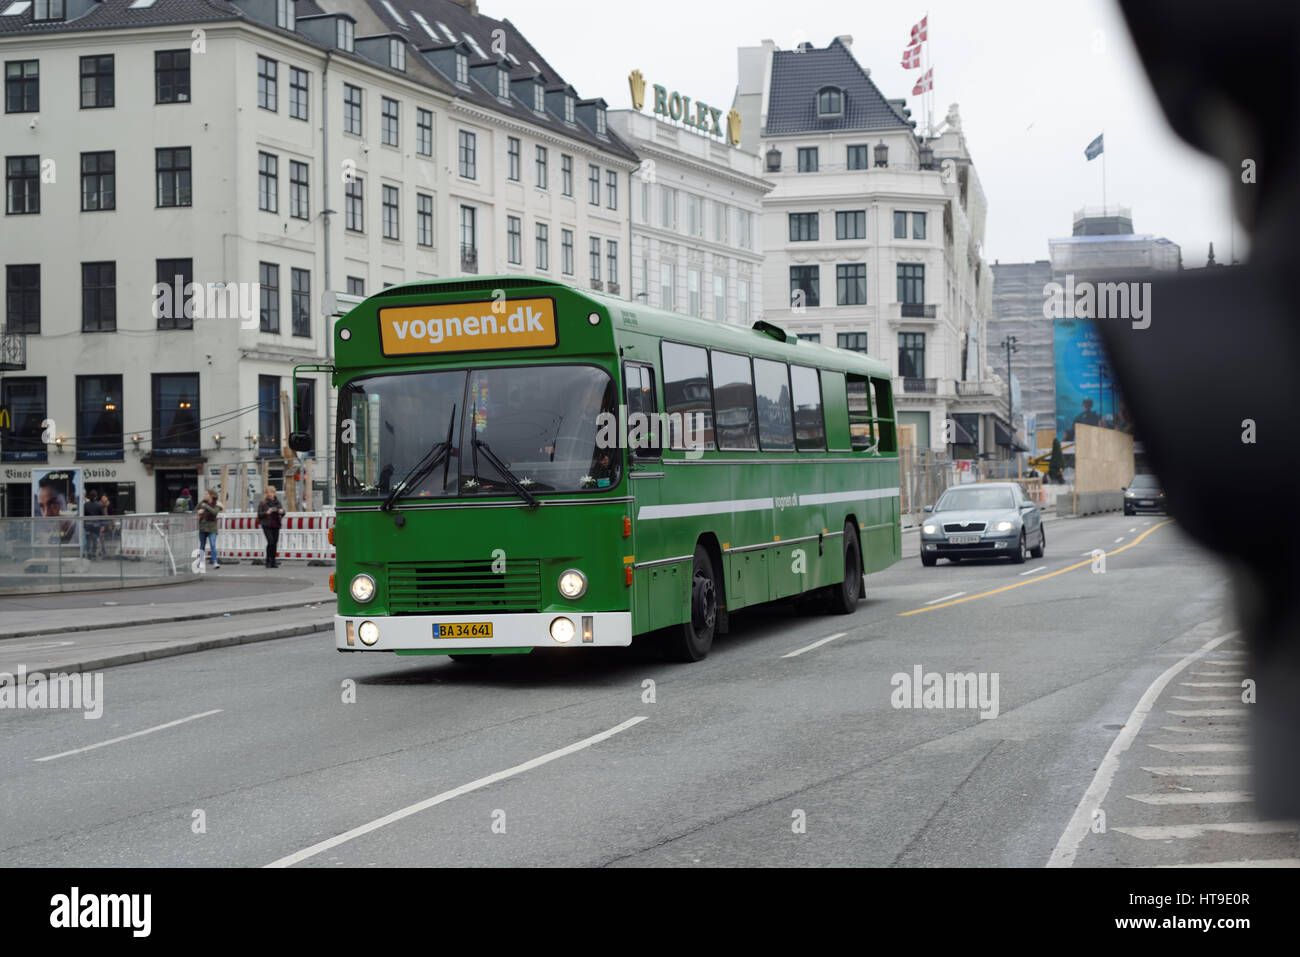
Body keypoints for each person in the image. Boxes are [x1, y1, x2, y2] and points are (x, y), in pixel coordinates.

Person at [257, 485, 285, 568]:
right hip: (267, 524)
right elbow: (259, 514)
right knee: (270, 541)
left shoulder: (277, 502)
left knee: (275, 543)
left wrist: (282, 511)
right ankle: (268, 560)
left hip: (276, 524)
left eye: (272, 492)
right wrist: (266, 512)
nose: (270, 494)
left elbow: (283, 512)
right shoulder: (263, 503)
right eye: (268, 492)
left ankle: (273, 560)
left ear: (274, 493)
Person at [196, 489, 223, 568]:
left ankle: (215, 562)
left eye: (206, 494)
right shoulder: (201, 503)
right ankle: (201, 562)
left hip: (212, 528)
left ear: (211, 496)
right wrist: (198, 511)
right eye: (205, 494)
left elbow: (214, 512)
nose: (205, 496)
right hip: (203, 527)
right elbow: (194, 511)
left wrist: (206, 506)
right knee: (202, 545)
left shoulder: (217, 504)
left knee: (212, 545)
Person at [83, 488, 104, 559]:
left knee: (88, 539)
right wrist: (102, 525)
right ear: (96, 496)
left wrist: (84, 525)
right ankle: (94, 553)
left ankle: (89, 553)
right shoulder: (99, 505)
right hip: (96, 526)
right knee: (95, 539)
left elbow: (84, 515)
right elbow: (102, 516)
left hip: (88, 525)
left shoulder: (85, 505)